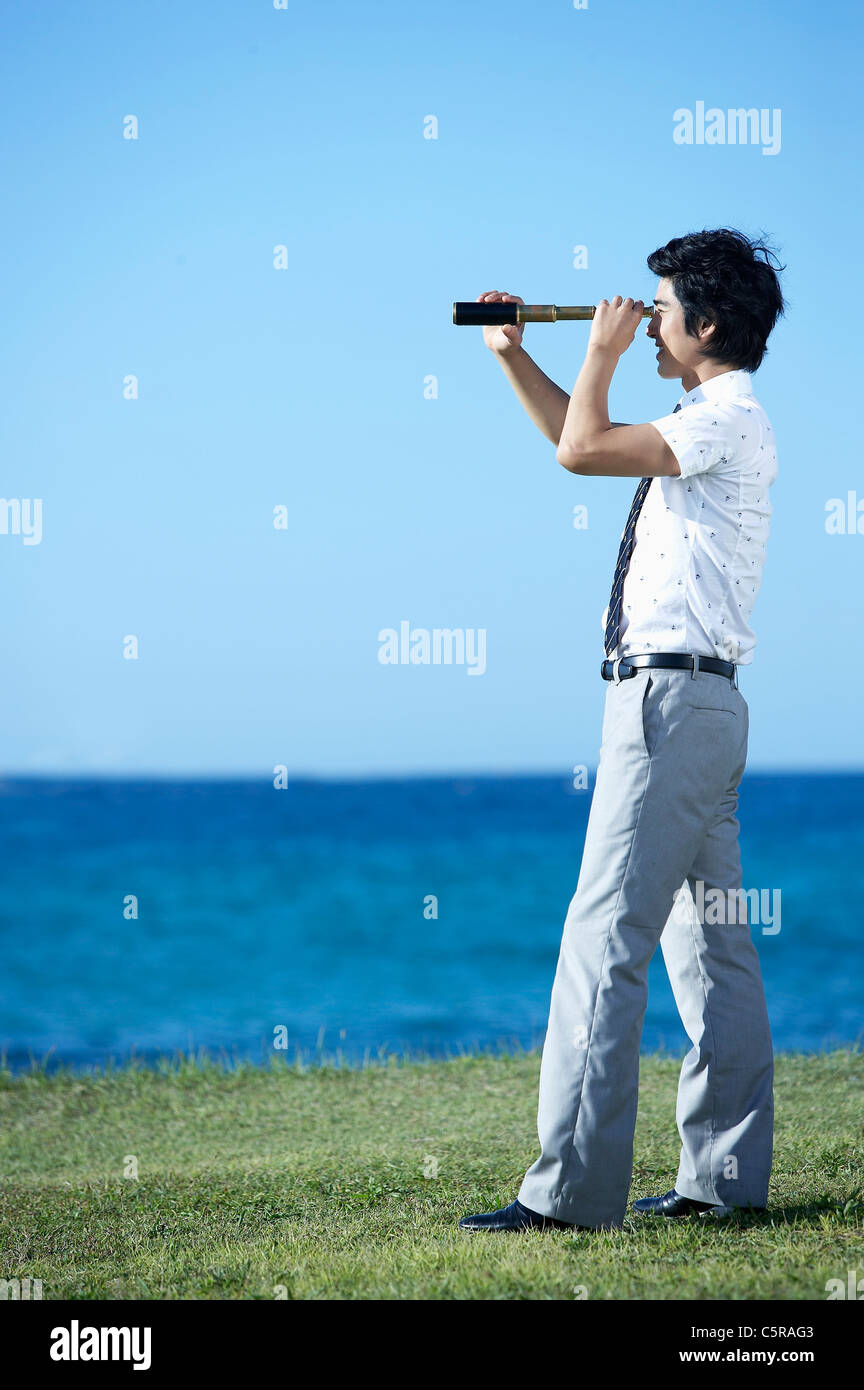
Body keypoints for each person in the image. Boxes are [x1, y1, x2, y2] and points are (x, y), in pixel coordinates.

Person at [459, 229, 785, 1233]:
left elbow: (583, 448)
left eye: (662, 308)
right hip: (700, 706)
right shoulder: (708, 420)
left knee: (605, 941)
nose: (649, 322)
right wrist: (519, 354)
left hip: (669, 708)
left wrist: (598, 349)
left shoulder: (725, 418)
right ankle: (722, 1181)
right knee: (710, 946)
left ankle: (568, 1195)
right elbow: (582, 439)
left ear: (708, 323)